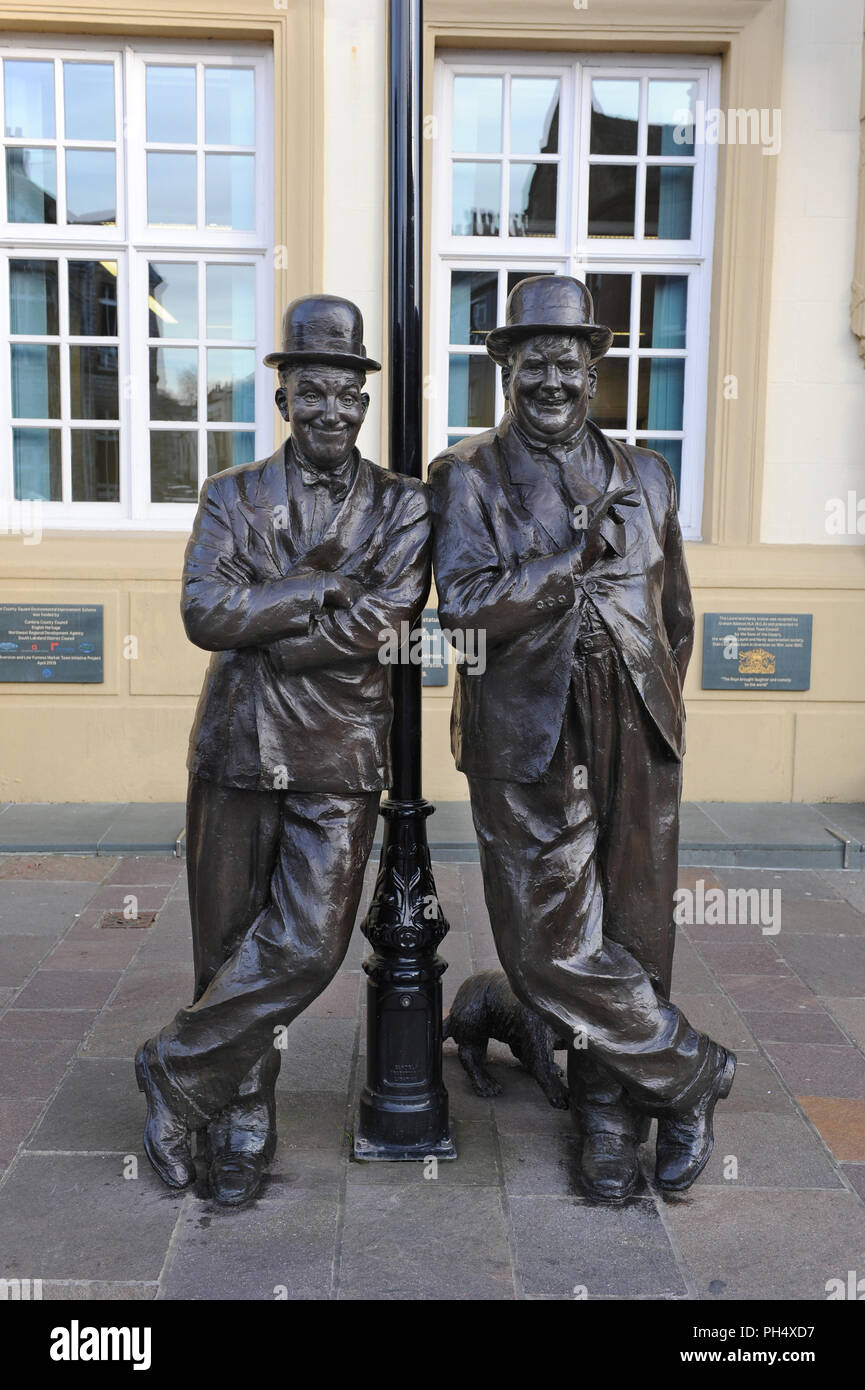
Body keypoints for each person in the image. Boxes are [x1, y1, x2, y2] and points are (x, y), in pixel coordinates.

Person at [428, 275, 735, 1201]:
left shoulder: (647, 473)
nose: (551, 380)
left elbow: (673, 607)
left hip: (635, 721)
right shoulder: (467, 476)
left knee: (636, 924)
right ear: (503, 369)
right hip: (526, 728)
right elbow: (467, 613)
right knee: (542, 942)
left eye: (567, 361)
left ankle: (611, 1113)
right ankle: (689, 1074)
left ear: (593, 366)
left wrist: (651, 697)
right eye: (532, 364)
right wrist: (569, 559)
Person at [135, 295, 430, 1206]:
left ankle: (175, 1068)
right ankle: (241, 1108)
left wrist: (273, 615)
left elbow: (390, 621)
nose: (332, 410)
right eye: (312, 392)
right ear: (284, 398)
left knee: (305, 943)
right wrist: (318, 589)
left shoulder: (404, 504)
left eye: (346, 393)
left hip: (337, 755)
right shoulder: (230, 493)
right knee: (227, 943)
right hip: (233, 748)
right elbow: (202, 614)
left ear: (364, 401)